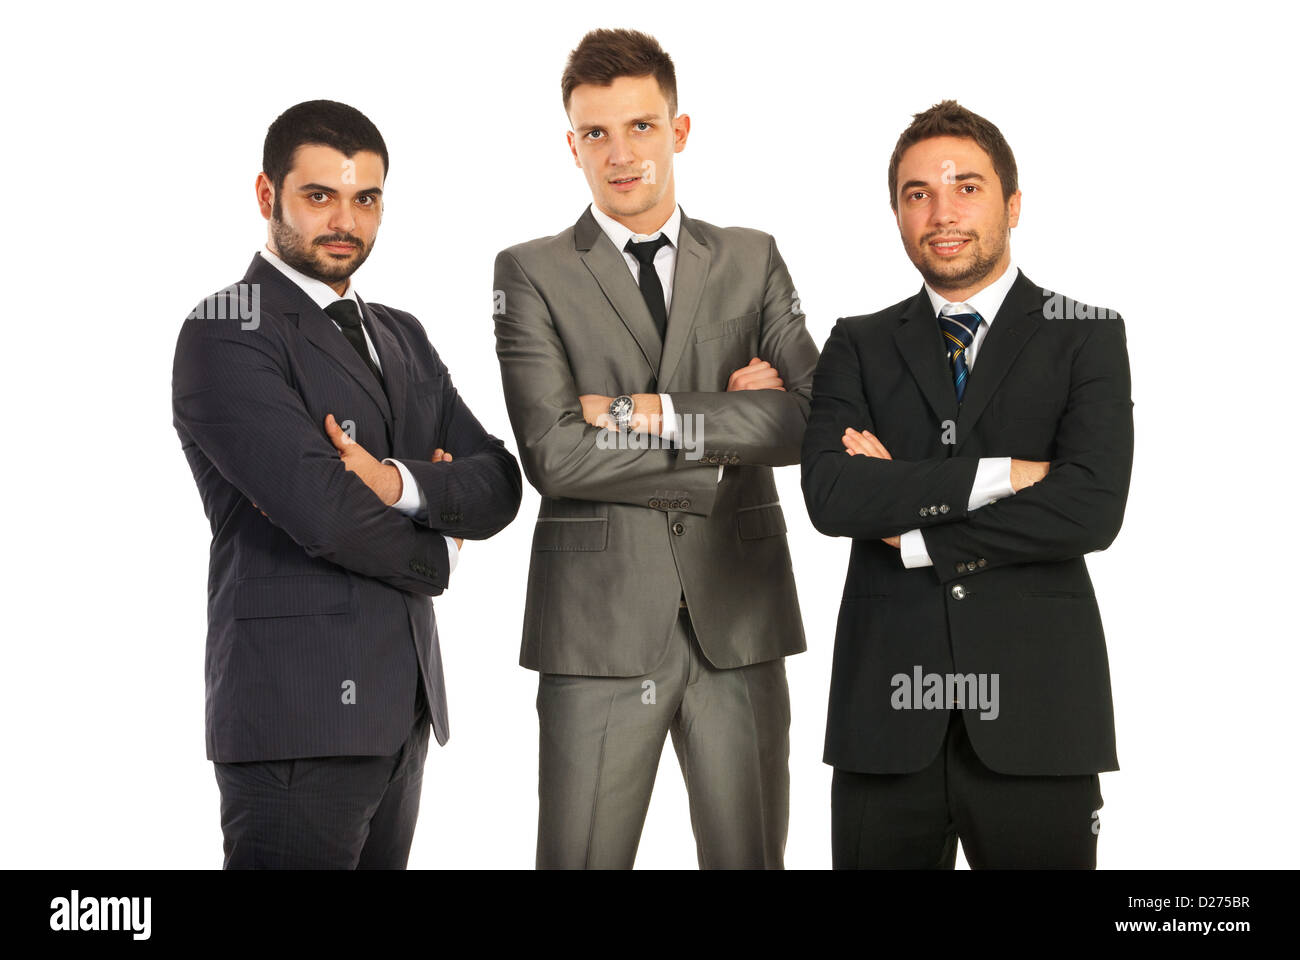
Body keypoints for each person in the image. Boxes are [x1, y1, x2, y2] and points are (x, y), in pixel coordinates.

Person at [492, 29, 820, 869]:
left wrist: (651, 412)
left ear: (678, 130)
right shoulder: (528, 273)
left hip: (739, 618)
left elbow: (811, 421)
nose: (620, 154)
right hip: (596, 630)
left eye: (641, 127)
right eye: (596, 134)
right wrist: (724, 438)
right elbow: (555, 454)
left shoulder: (752, 259)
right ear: (572, 146)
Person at [172, 99, 521, 868]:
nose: (345, 221)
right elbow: (326, 514)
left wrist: (398, 484)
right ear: (268, 197)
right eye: (319, 195)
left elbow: (498, 479)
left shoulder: (401, 332)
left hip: (402, 717)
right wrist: (441, 550)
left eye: (365, 199)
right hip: (295, 724)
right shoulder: (226, 329)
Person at [801, 100, 1133, 869]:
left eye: (967, 188)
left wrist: (917, 534)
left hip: (1041, 723)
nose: (941, 213)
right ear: (896, 213)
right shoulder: (858, 342)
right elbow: (832, 496)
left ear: (1013, 204)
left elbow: (1089, 507)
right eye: (918, 193)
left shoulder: (1085, 333)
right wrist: (1008, 475)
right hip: (883, 728)